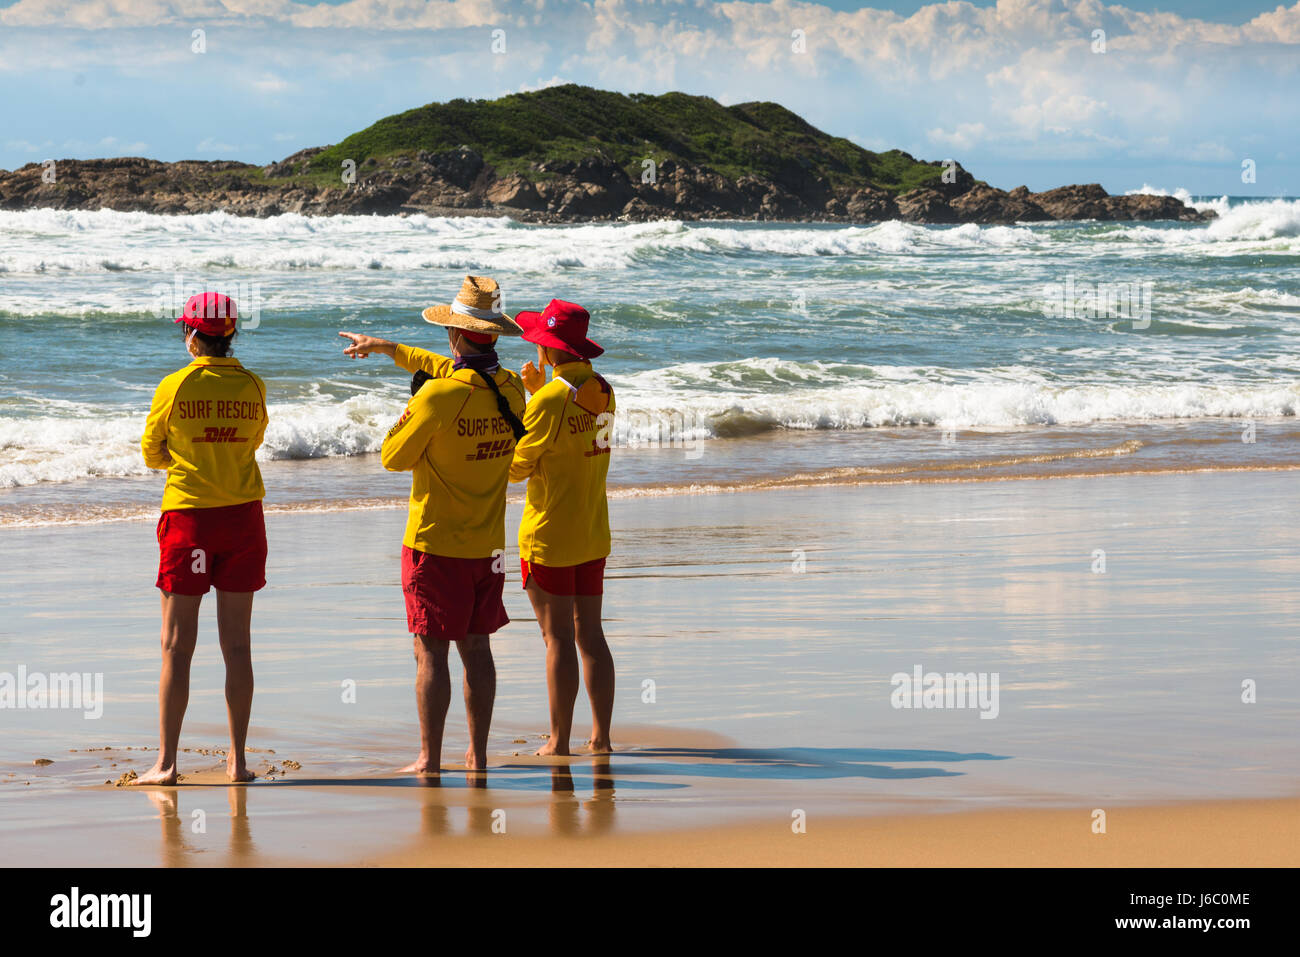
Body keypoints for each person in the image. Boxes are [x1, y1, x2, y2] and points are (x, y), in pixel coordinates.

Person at [338, 275, 526, 775]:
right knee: (477, 647)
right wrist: (388, 349)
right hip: (489, 544)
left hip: (435, 543)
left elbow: (392, 458)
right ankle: (478, 755)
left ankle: (430, 758)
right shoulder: (512, 389)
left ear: (456, 334)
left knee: (430, 652)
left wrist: (413, 405)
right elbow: (459, 372)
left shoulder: (437, 397)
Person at [135, 292, 268, 786]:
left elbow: (152, 451)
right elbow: (254, 440)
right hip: (243, 518)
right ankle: (238, 761)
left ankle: (167, 764)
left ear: (192, 336)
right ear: (230, 335)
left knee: (176, 645)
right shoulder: (253, 384)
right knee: (238, 646)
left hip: (190, 518)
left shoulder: (175, 385)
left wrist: (187, 460)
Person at [509, 299, 616, 755]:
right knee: (590, 635)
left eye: (539, 341)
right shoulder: (603, 388)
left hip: (550, 534)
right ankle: (601, 737)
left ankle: (559, 741)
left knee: (556, 640)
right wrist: (540, 394)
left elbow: (516, 467)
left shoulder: (550, 400)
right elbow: (575, 440)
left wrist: (532, 400)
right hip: (592, 529)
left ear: (550, 350)